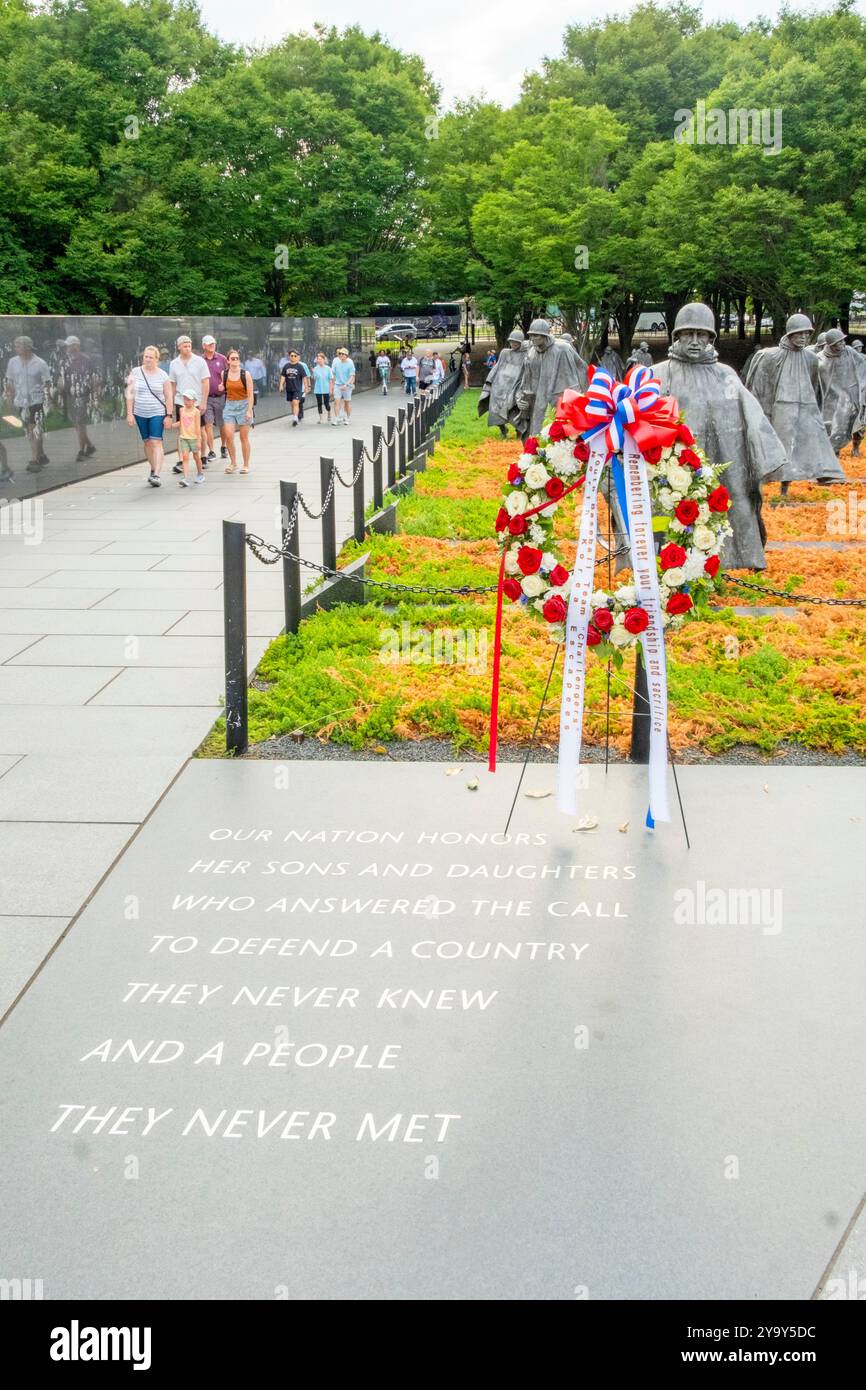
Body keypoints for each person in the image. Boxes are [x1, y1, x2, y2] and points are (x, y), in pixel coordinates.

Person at [654, 302, 787, 570]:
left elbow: (752, 417)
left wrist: (767, 456)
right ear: (676, 336)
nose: (694, 341)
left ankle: (731, 560)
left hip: (724, 461)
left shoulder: (726, 375)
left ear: (710, 338)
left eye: (701, 335)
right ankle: (665, 562)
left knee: (730, 504)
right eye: (687, 334)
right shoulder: (658, 374)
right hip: (674, 465)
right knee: (667, 509)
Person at [745, 313, 844, 491]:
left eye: (807, 334)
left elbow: (815, 386)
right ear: (790, 334)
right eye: (800, 334)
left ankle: (825, 472)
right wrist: (763, 413)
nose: (804, 338)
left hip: (807, 406)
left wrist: (814, 408)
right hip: (783, 406)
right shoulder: (772, 356)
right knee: (782, 448)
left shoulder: (811, 359)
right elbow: (761, 387)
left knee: (816, 439)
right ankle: (777, 483)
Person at [516, 318, 588, 437]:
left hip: (560, 402)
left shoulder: (563, 349)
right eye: (531, 335)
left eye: (536, 335)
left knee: (564, 438)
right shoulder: (531, 353)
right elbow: (525, 381)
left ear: (545, 335)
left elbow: (581, 368)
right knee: (537, 438)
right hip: (538, 404)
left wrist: (579, 397)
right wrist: (520, 398)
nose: (532, 338)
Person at [125, 344, 173, 488]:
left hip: (157, 412)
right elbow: (129, 394)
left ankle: (157, 474)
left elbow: (169, 396)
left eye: (150, 357)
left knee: (156, 442)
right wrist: (129, 414)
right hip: (140, 412)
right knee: (147, 442)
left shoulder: (163, 375)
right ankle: (153, 469)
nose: (147, 359)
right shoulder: (135, 372)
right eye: (145, 356)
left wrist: (169, 415)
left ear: (156, 359)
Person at [4, 335, 51, 474]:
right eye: (15, 345)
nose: (15, 348)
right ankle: (41, 455)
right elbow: (10, 381)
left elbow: (47, 383)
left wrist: (48, 400)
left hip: (36, 400)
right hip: (21, 401)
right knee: (29, 431)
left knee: (33, 429)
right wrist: (9, 399)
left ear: (28, 347)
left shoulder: (40, 363)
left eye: (18, 345)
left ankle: (34, 460)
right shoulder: (13, 362)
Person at [818, 328, 866, 458]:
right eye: (839, 343)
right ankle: (835, 452)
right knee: (831, 427)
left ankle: (855, 447)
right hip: (831, 399)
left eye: (843, 341)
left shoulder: (849, 352)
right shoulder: (820, 359)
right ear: (831, 345)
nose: (843, 344)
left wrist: (860, 388)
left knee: (856, 423)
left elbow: (862, 366)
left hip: (850, 396)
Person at [168, 337, 209, 469]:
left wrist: (203, 401)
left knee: (200, 429)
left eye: (189, 345)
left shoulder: (200, 361)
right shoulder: (174, 363)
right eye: (185, 345)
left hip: (197, 400)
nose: (187, 347)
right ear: (179, 346)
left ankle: (203, 455)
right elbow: (173, 385)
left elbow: (205, 382)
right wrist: (171, 403)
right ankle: (181, 459)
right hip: (181, 400)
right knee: (182, 430)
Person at [478, 328, 527, 437]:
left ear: (521, 342)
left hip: (515, 385)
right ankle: (503, 429)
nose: (513, 344)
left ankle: (519, 430)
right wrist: (489, 382)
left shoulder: (526, 354)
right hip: (500, 385)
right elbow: (497, 367)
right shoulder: (505, 353)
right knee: (494, 407)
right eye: (512, 341)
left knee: (514, 407)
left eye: (516, 342)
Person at [61, 336, 99, 461]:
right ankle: (90, 446)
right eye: (67, 346)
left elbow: (94, 378)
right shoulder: (66, 361)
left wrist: (94, 396)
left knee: (80, 424)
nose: (67, 348)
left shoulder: (85, 360)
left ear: (76, 346)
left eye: (70, 345)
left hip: (83, 396)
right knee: (77, 424)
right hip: (70, 396)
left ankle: (81, 451)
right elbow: (62, 378)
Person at [222, 350, 255, 472]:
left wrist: (249, 410)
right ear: (228, 361)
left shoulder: (245, 374)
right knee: (229, 436)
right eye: (233, 358)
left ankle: (246, 465)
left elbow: (250, 394)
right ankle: (233, 463)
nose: (235, 360)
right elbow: (224, 387)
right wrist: (221, 387)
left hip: (244, 405)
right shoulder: (224, 374)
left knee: (243, 437)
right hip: (229, 406)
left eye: (237, 358)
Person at [198, 334, 228, 465]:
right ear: (203, 346)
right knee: (208, 424)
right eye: (209, 344)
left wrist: (226, 388)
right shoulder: (199, 360)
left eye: (213, 344)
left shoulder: (222, 359)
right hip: (206, 398)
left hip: (221, 397)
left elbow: (228, 375)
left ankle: (223, 446)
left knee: (222, 424)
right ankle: (211, 451)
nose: (212, 346)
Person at [171, 388, 204, 486]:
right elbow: (182, 422)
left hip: (194, 438)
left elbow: (197, 426)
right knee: (185, 457)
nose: (186, 402)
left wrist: (199, 440)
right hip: (184, 437)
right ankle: (185, 478)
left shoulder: (196, 412)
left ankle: (200, 474)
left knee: (196, 457)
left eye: (188, 399)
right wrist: (173, 425)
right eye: (185, 399)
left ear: (194, 401)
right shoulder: (181, 410)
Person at [279, 350, 309, 427]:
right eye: (291, 356)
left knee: (295, 402)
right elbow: (283, 376)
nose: (293, 357)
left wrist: (306, 387)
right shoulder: (286, 366)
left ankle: (296, 418)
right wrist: (281, 385)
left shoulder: (300, 366)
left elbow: (304, 377)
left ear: (297, 357)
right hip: (289, 388)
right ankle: (294, 417)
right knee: (292, 404)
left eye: (295, 356)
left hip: (297, 388)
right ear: (289, 357)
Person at [331, 347, 356, 424]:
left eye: (342, 354)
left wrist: (346, 384)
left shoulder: (350, 363)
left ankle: (347, 417)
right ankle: (337, 418)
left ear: (346, 355)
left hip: (347, 385)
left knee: (346, 403)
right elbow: (334, 374)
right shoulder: (336, 362)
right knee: (336, 401)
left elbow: (352, 375)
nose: (340, 355)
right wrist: (333, 385)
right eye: (339, 354)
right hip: (338, 385)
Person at [311, 352, 334, 423]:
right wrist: (314, 372)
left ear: (324, 359)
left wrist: (331, 389)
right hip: (318, 389)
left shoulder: (328, 368)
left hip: (326, 388)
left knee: (326, 404)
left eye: (320, 359)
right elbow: (314, 378)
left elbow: (331, 379)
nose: (319, 360)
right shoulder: (315, 368)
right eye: (318, 359)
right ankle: (321, 419)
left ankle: (329, 413)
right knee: (319, 403)